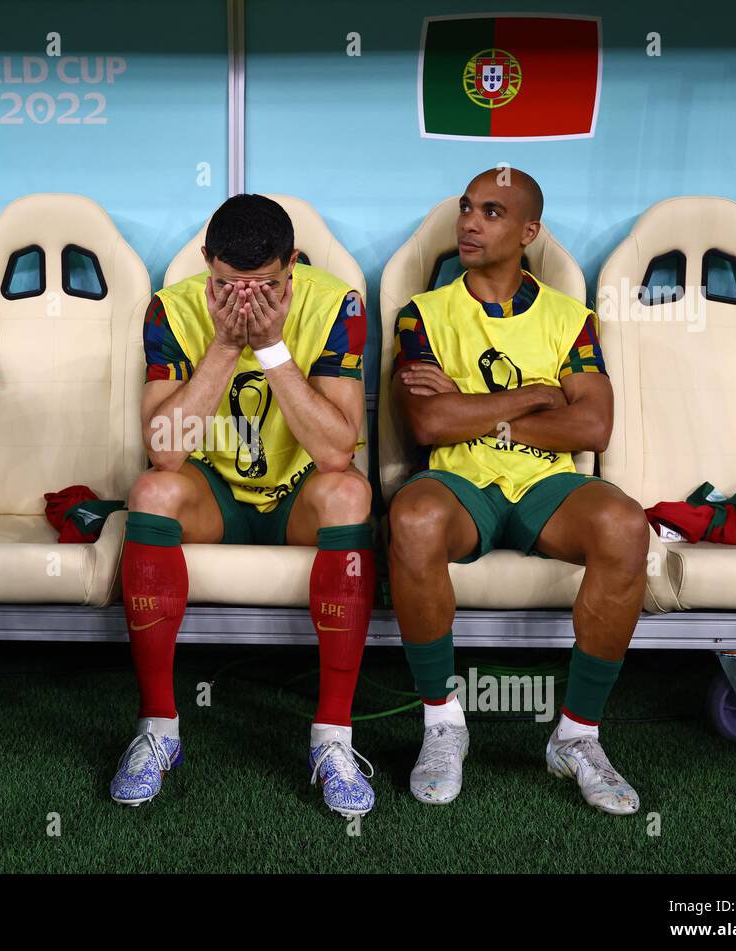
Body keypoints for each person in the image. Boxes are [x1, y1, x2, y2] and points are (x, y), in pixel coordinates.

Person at [388, 168, 649, 815]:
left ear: (529, 231)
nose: (469, 222)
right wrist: (535, 394)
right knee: (414, 517)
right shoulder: (423, 314)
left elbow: (592, 426)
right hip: (459, 481)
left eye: (492, 212)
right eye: (466, 208)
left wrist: (472, 406)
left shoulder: (569, 319)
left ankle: (577, 736)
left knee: (624, 523)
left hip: (547, 483)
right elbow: (429, 424)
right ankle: (443, 725)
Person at [111, 194, 377, 817]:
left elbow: (336, 452)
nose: (247, 301)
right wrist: (226, 346)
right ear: (208, 262)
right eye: (230, 285)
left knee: (350, 492)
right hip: (215, 494)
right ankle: (158, 728)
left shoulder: (336, 304)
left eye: (267, 286)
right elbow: (165, 451)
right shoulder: (172, 308)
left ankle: (332, 738)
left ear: (293, 264)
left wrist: (274, 348)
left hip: (299, 495)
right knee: (151, 491)